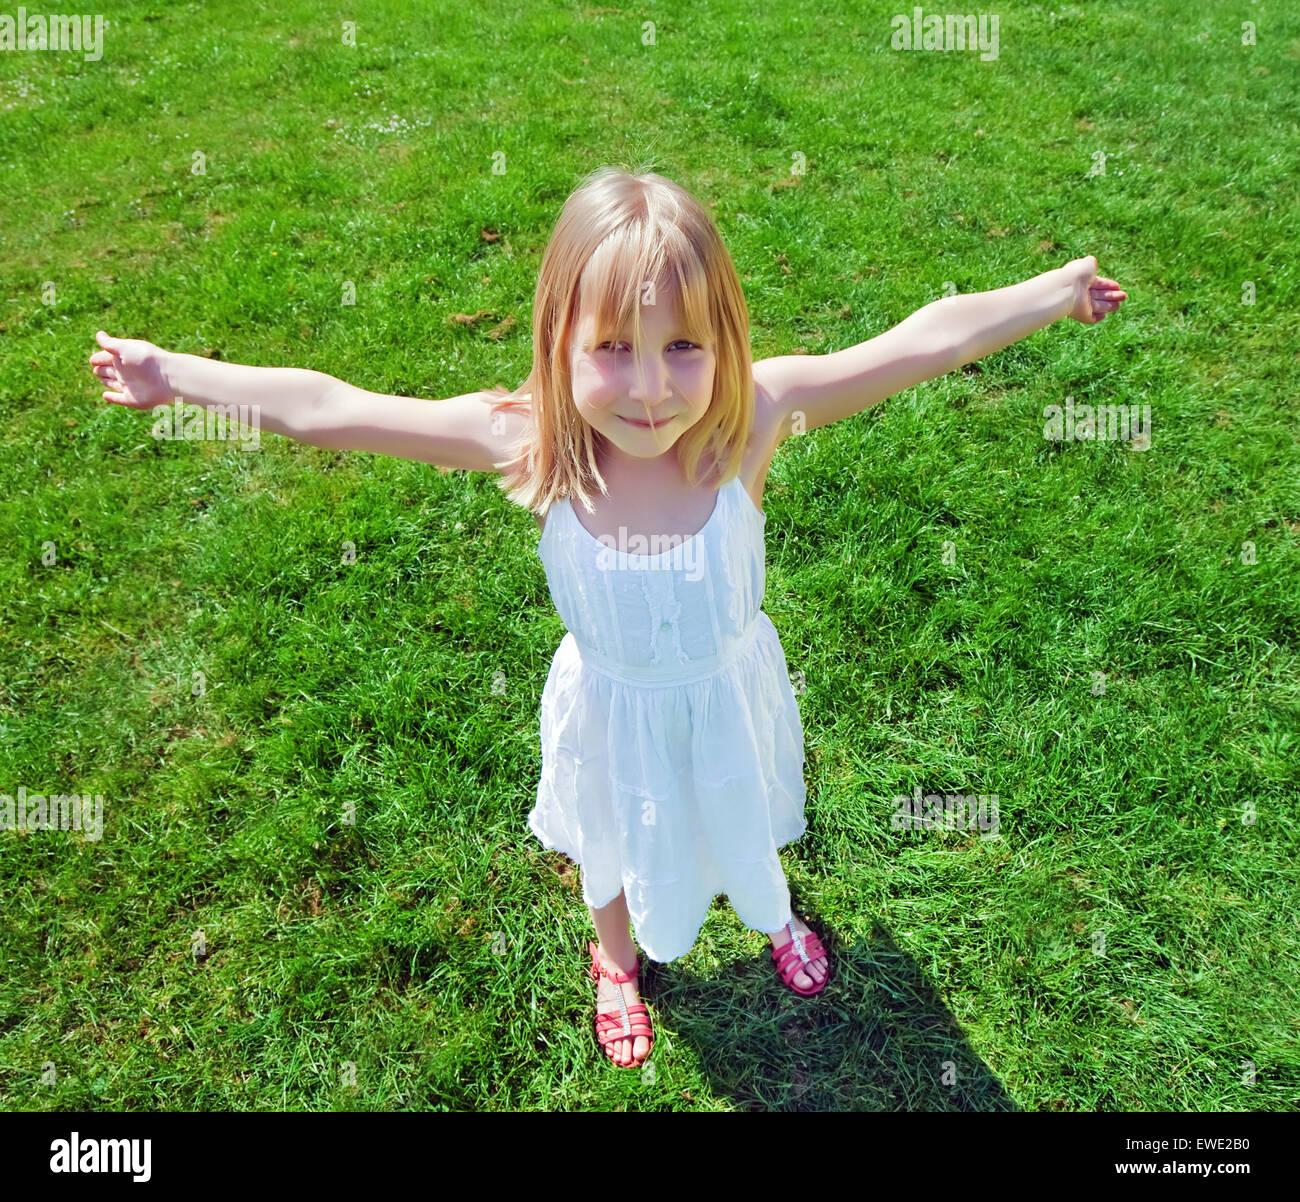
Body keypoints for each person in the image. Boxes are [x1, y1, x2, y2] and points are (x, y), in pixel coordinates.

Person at [88, 165, 1126, 1071]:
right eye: (612, 348)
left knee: (744, 803)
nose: (646, 389)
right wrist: (172, 375)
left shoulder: (750, 421)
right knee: (610, 841)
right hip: (611, 710)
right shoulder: (530, 443)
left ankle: (772, 911)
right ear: (557, 341)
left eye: (681, 345)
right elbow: (332, 407)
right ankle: (616, 959)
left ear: (723, 338)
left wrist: (1054, 292)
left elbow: (917, 343)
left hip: (725, 690)